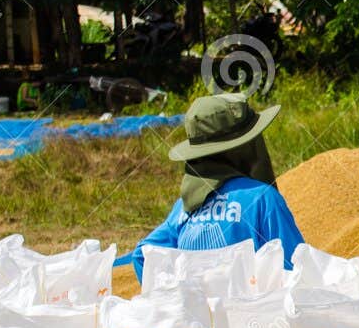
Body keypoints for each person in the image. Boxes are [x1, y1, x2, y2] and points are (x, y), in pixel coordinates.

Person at [124, 93, 303, 284]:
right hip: (252, 313)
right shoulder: (263, 198)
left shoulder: (184, 208)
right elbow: (298, 268)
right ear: (243, 148)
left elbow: (142, 255)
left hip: (199, 314)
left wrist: (175, 303)